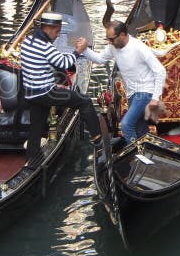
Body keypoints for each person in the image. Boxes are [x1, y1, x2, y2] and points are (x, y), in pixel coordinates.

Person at [21, 12, 101, 165]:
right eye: (57, 31)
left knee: (36, 129)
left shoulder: (27, 41)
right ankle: (99, 140)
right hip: (46, 93)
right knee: (84, 101)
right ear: (48, 28)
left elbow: (42, 64)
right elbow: (64, 64)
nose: (58, 35)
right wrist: (78, 50)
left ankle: (32, 161)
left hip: (31, 94)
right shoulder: (45, 47)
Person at [82, 20, 166, 143]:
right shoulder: (113, 46)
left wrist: (155, 97)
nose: (109, 42)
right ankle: (148, 149)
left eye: (111, 39)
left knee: (126, 125)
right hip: (132, 94)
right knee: (140, 129)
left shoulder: (138, 47)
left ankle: (134, 153)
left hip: (145, 92)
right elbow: (100, 59)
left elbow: (160, 71)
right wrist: (84, 50)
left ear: (122, 35)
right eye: (108, 39)